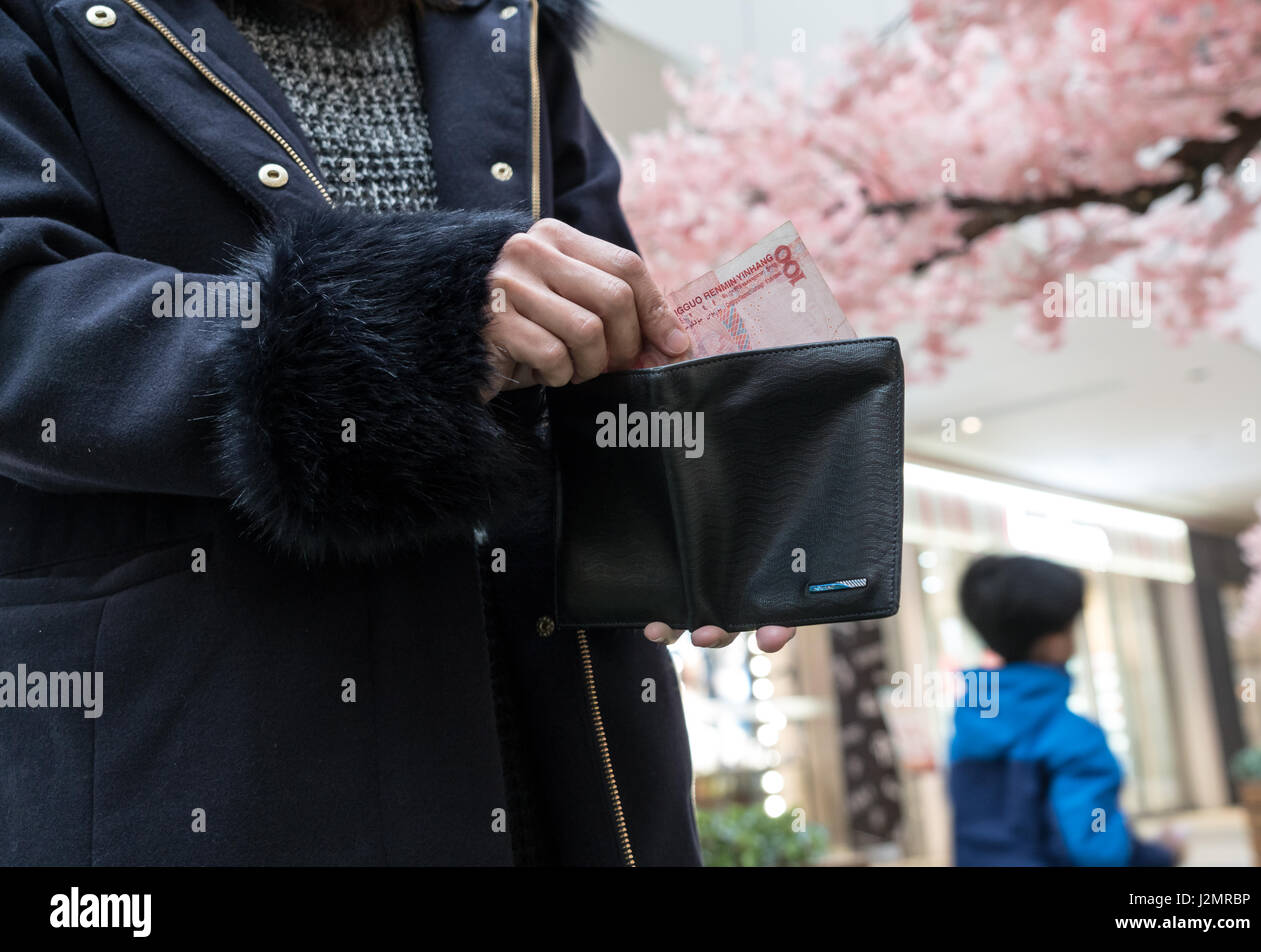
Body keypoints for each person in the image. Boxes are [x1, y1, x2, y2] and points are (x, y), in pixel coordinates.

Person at [0, 0, 794, 865]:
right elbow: (24, 323)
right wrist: (420, 324)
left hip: (569, 757)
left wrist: (712, 516)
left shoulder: (515, 29)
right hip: (218, 757)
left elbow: (606, 337)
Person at [948, 554, 1181, 866]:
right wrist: (1161, 854)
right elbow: (1097, 850)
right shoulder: (1074, 738)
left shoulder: (967, 730)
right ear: (1054, 641)